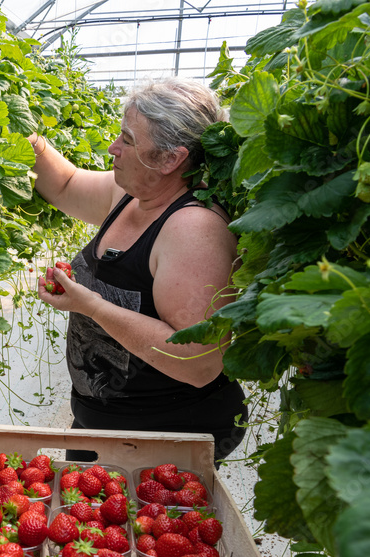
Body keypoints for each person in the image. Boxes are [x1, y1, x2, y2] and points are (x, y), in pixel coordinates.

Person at [30, 77, 247, 465]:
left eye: (128, 140)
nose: (113, 148)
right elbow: (63, 185)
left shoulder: (194, 230)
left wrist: (92, 307)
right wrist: (26, 137)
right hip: (107, 424)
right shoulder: (132, 195)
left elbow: (199, 362)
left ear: (170, 159)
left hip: (165, 439)